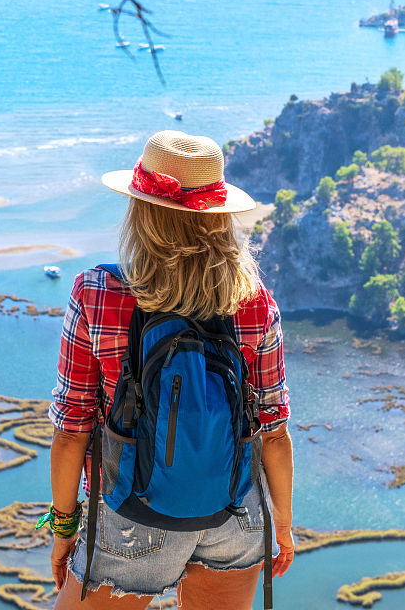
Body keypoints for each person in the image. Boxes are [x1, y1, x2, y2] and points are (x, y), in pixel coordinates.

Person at [45, 130, 294, 609]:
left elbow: (72, 431)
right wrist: (281, 525)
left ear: (142, 212)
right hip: (236, 515)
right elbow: (275, 432)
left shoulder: (97, 293)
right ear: (219, 219)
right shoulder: (256, 304)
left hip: (131, 517)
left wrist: (64, 528)